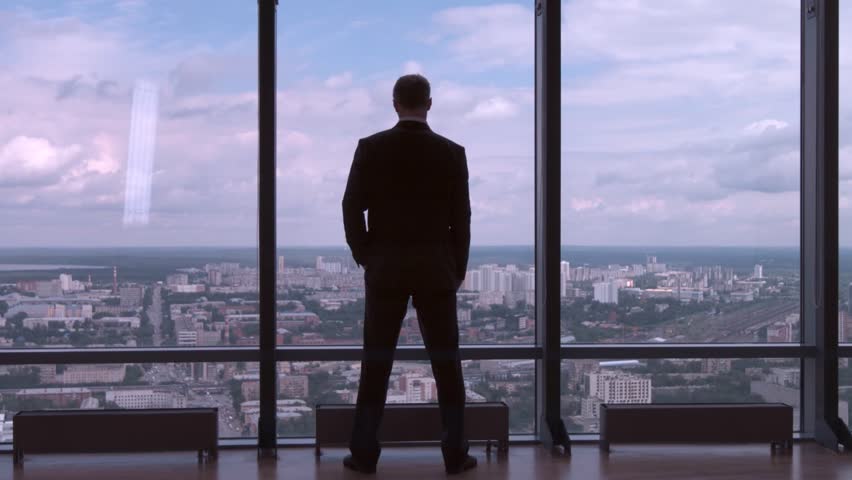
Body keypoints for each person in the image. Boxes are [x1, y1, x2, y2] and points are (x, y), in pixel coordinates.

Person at [342, 74, 475, 475]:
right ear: (429, 104)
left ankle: (364, 454)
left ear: (395, 103)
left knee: (376, 364)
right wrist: (457, 269)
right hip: (436, 270)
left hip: (386, 269)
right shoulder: (452, 153)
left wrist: (366, 254)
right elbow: (461, 220)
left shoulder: (372, 148)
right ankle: (455, 454)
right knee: (447, 366)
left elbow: (351, 206)